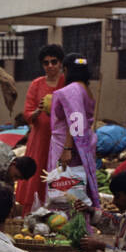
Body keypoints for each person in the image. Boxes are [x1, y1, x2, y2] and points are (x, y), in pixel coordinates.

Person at [17, 44, 66, 214]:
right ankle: (32, 212)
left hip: (61, 139)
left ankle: (58, 212)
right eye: (46, 63)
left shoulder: (66, 82)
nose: (50, 66)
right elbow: (27, 112)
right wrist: (38, 111)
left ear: (61, 63)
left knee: (58, 173)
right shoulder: (36, 84)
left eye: (54, 61)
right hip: (39, 140)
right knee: (36, 173)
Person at [48, 53, 100, 210]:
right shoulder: (86, 90)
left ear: (66, 69)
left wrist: (67, 149)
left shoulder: (72, 90)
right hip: (83, 145)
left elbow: (75, 118)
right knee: (77, 187)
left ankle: (66, 223)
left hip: (69, 146)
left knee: (66, 189)